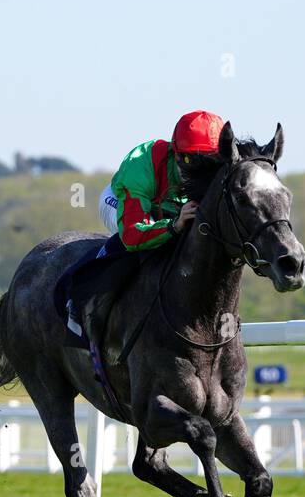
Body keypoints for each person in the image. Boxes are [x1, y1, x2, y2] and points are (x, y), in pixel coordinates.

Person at [67, 110, 225, 341]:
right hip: (123, 203)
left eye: (209, 163)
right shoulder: (143, 164)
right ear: (176, 153)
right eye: (191, 160)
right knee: (140, 245)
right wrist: (173, 226)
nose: (199, 171)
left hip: (169, 208)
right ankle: (82, 295)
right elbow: (133, 234)